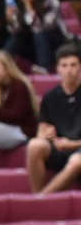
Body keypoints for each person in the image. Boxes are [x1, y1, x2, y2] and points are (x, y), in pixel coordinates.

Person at [27, 43, 81, 195]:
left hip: (78, 148)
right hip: (59, 148)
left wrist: (72, 144)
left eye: (73, 65)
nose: (68, 70)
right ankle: (37, 193)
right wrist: (44, 135)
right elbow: (42, 128)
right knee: (34, 145)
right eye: (64, 65)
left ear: (80, 67)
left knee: (77, 161)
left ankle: (40, 199)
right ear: (57, 68)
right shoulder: (50, 97)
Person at [6, 0, 70, 72]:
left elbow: (46, 25)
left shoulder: (50, 0)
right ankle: (2, 64)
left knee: (39, 33)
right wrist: (10, 20)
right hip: (33, 45)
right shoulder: (18, 6)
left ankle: (45, 67)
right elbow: (16, 31)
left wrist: (30, 9)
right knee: (17, 37)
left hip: (56, 41)